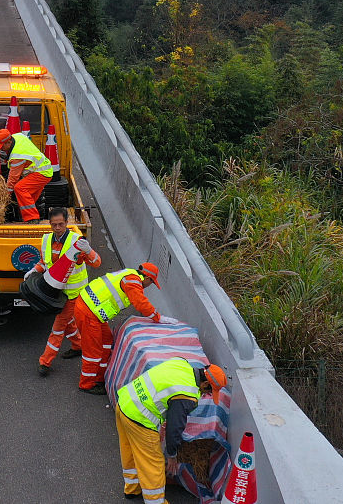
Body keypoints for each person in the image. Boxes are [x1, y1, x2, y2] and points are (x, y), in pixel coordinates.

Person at [114, 359, 229, 503]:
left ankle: (132, 488)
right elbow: (174, 427)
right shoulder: (187, 395)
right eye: (209, 391)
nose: (206, 395)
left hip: (125, 402)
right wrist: (172, 454)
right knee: (153, 464)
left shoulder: (181, 363)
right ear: (205, 384)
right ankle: (156, 501)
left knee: (129, 450)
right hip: (140, 418)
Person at [74, 263, 179, 394]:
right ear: (147, 278)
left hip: (91, 309)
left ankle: (99, 376)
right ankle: (86, 384)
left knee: (107, 342)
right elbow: (140, 302)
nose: (148, 286)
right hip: (89, 312)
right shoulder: (133, 281)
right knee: (93, 351)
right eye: (151, 283)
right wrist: (158, 317)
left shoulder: (130, 274)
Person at [31, 207, 102, 376]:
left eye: (61, 224)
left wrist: (88, 250)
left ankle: (45, 362)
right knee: (69, 323)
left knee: (58, 328)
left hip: (72, 294)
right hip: (55, 292)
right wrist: (34, 270)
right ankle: (78, 346)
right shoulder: (46, 240)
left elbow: (97, 262)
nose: (57, 228)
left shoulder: (76, 241)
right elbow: (44, 262)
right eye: (54, 224)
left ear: (67, 222)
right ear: (49, 224)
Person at [0, 128, 53, 222]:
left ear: (9, 142)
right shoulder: (18, 136)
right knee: (28, 199)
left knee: (19, 188)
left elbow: (13, 179)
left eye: (2, 146)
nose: (1, 149)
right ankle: (29, 216)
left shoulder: (18, 157)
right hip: (41, 170)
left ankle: (32, 218)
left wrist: (6, 195)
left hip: (41, 173)